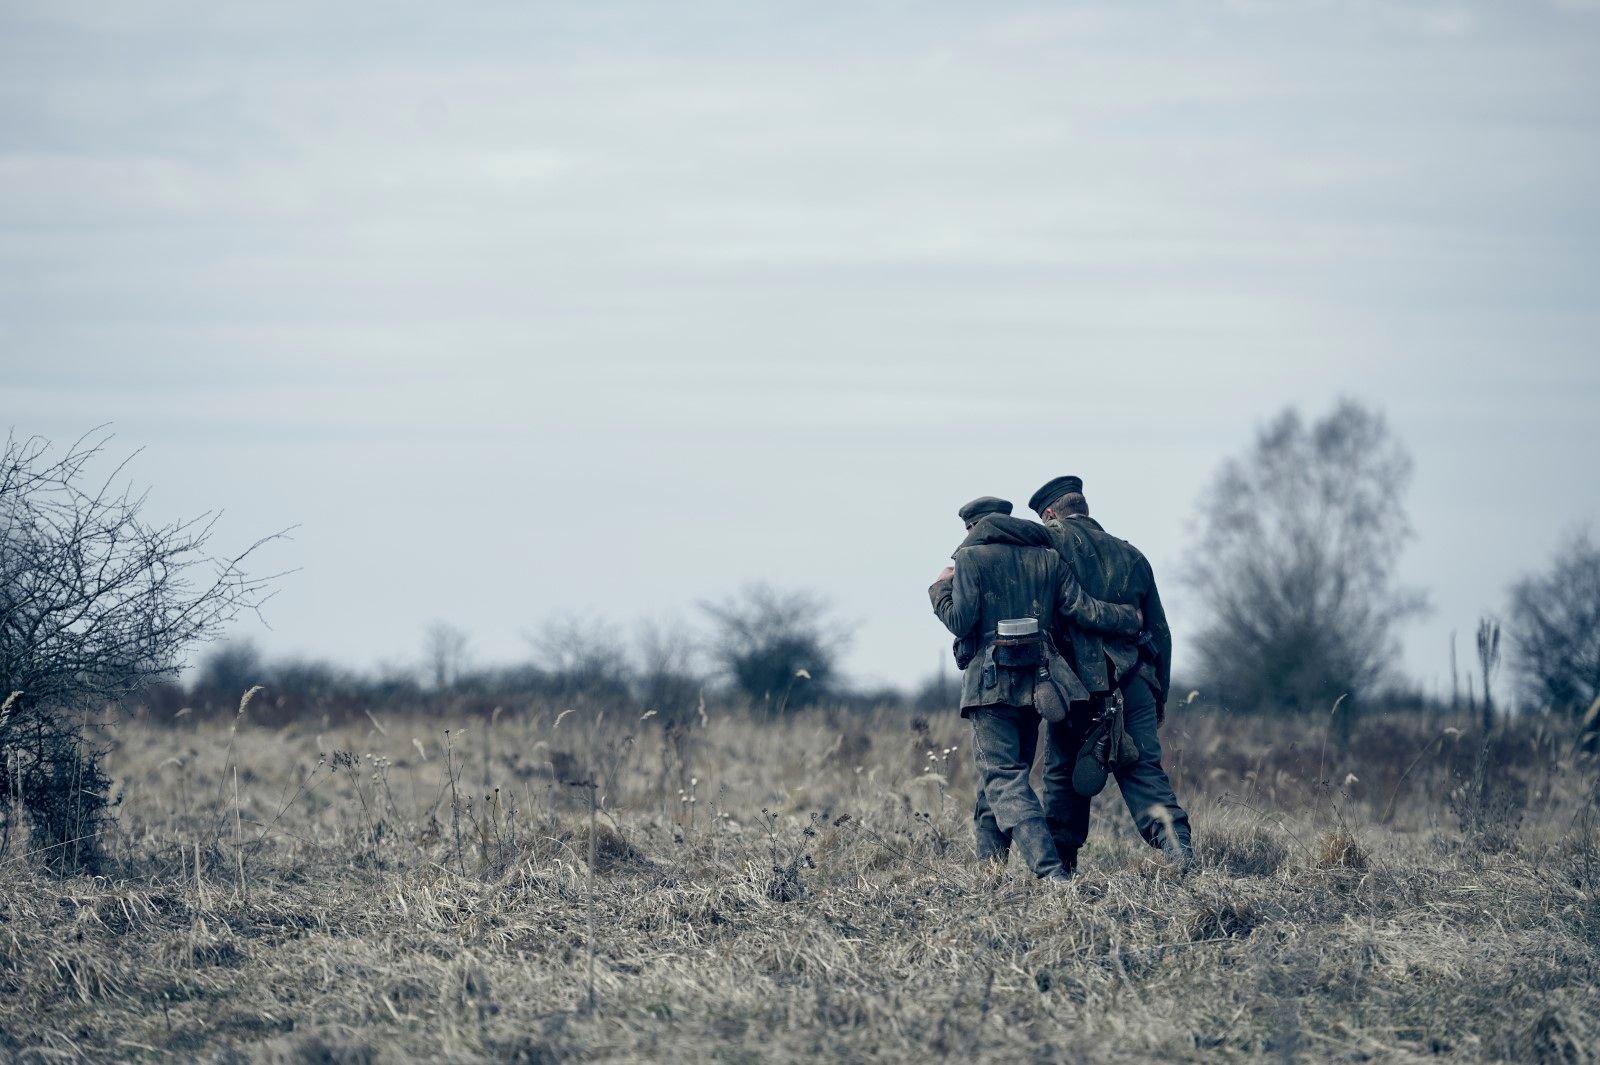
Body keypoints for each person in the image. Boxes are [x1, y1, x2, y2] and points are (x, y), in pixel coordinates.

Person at [929, 496, 1142, 880]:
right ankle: (990, 873)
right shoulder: (1047, 557)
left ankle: (1051, 872)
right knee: (1001, 777)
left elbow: (960, 621)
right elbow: (1083, 609)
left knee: (1003, 778)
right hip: (1040, 684)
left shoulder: (971, 559)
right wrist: (1128, 617)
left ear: (972, 528)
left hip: (990, 686)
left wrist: (940, 588)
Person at [1019, 475, 1192, 873]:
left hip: (1075, 688)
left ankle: (1061, 873)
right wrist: (1159, 695)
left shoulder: (1047, 547)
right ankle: (1179, 851)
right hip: (1133, 684)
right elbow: (1160, 633)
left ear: (1050, 514)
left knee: (1063, 776)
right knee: (1144, 771)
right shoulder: (1132, 555)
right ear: (1084, 508)